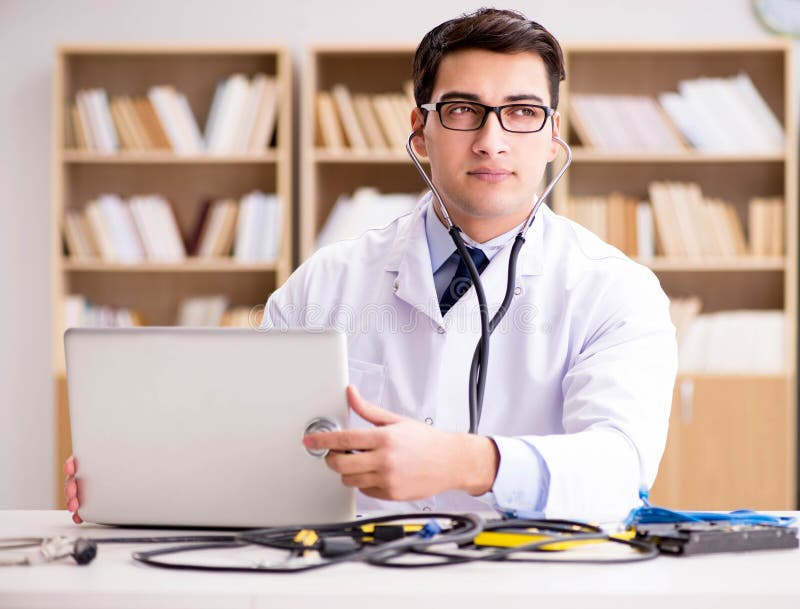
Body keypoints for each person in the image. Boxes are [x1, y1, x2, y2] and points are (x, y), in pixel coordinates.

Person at [66, 7, 677, 524]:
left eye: (521, 111)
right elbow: (248, 442)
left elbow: (621, 469)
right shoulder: (327, 282)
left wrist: (466, 462)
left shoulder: (616, 290)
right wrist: (146, 477)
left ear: (551, 136)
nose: (492, 139)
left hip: (533, 584)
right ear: (419, 131)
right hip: (350, 582)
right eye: (463, 109)